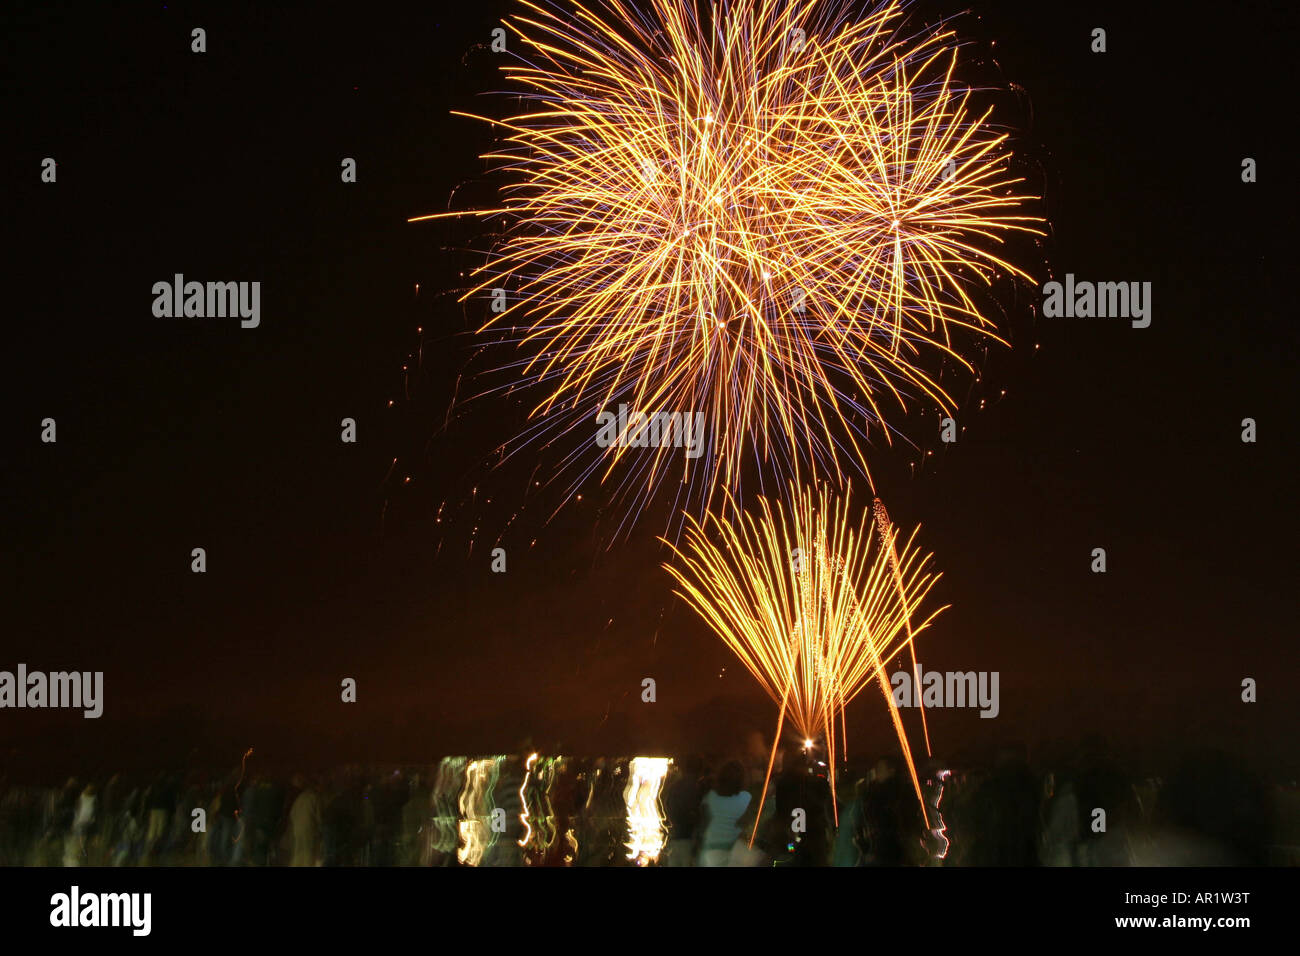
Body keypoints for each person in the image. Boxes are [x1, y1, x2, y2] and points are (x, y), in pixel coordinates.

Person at [698, 761, 751, 866]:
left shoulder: (710, 797)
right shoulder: (746, 798)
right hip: (734, 851)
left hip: (710, 851)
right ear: (742, 780)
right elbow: (746, 823)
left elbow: (703, 823)